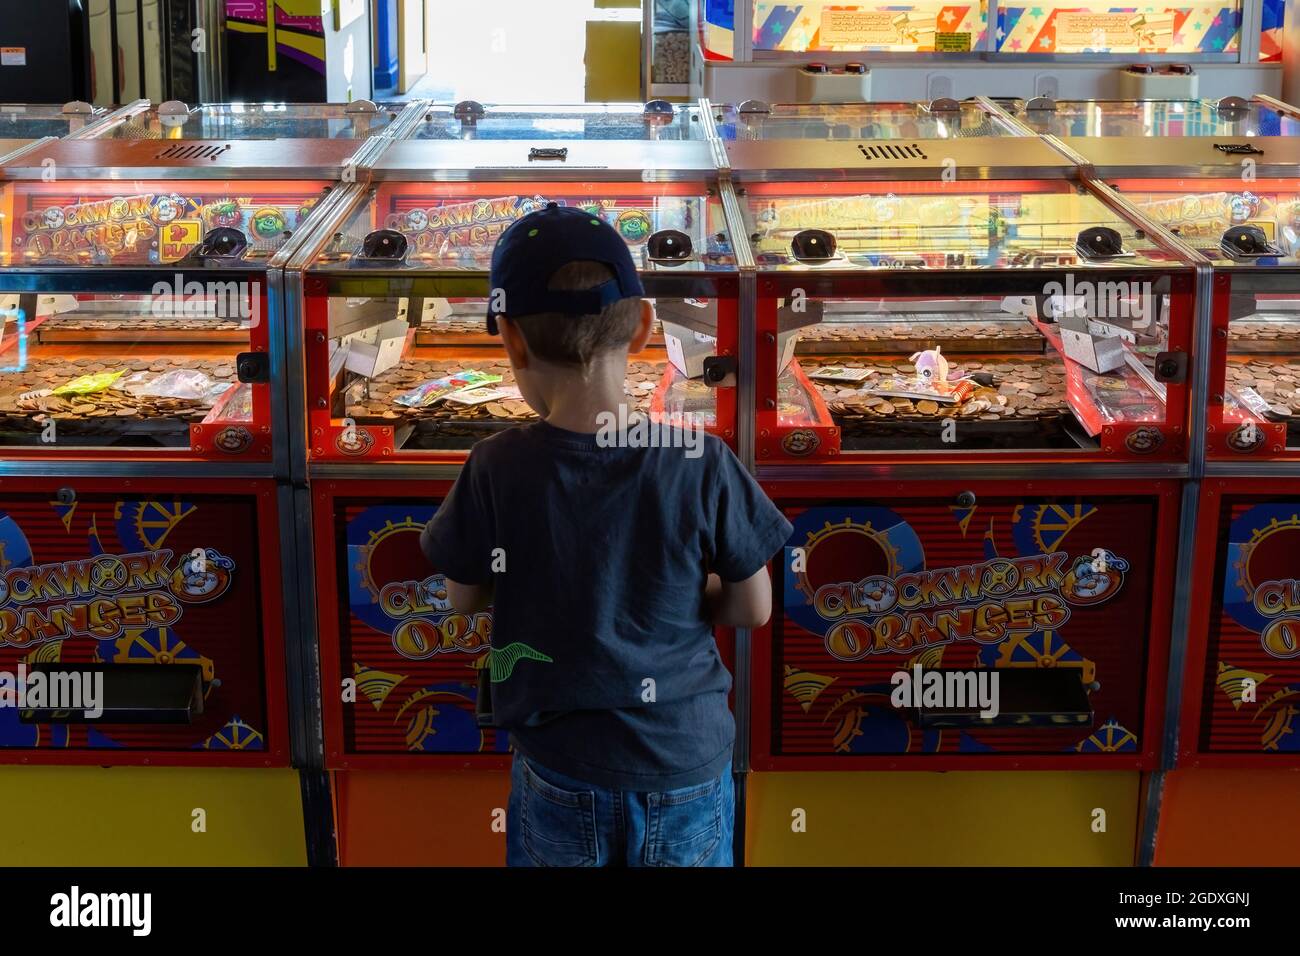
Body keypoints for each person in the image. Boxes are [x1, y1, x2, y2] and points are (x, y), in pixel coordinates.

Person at [421, 202, 792, 867]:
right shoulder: (700, 460)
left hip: (562, 766)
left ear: (510, 338)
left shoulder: (496, 464)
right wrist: (683, 590)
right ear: (647, 326)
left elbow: (462, 597)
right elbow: (753, 608)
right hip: (685, 763)